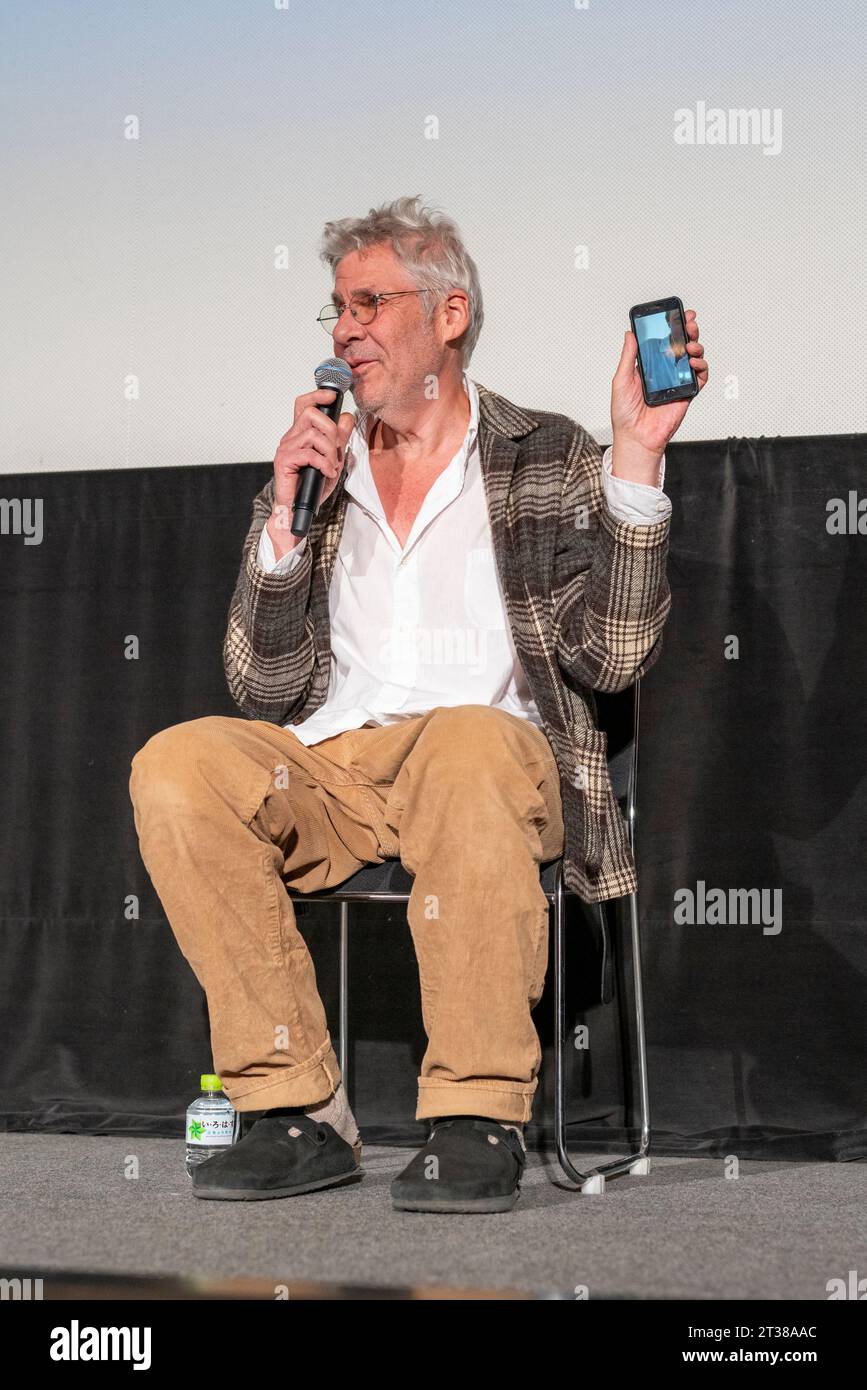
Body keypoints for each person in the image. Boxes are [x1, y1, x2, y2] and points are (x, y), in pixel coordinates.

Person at [129, 195, 707, 1214]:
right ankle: (295, 1108)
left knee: (470, 742)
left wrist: (638, 456)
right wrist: (281, 528)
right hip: (337, 769)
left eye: (369, 302)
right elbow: (261, 688)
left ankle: (477, 1112)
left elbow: (612, 657)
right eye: (336, 310)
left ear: (448, 315)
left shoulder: (546, 452)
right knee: (176, 765)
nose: (345, 328)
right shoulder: (322, 468)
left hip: (490, 763)